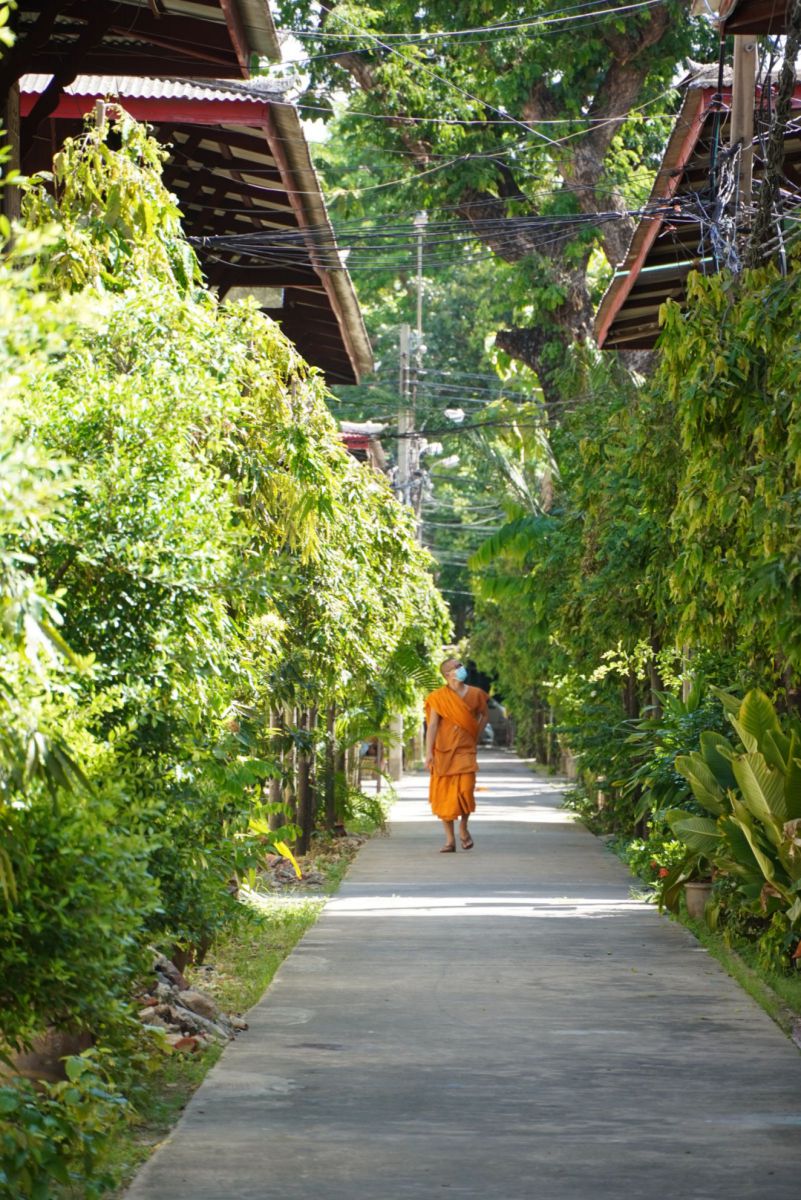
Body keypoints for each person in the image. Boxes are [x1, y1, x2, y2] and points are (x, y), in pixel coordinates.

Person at [424, 658, 489, 853]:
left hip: (466, 751)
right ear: (447, 675)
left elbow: (484, 715)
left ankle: (463, 827)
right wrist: (428, 752)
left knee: (466, 791)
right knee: (444, 795)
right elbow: (433, 725)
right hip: (443, 751)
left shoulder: (476, 694)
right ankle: (450, 840)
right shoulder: (437, 697)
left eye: (460, 665)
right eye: (456, 667)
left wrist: (475, 734)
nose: (461, 669)